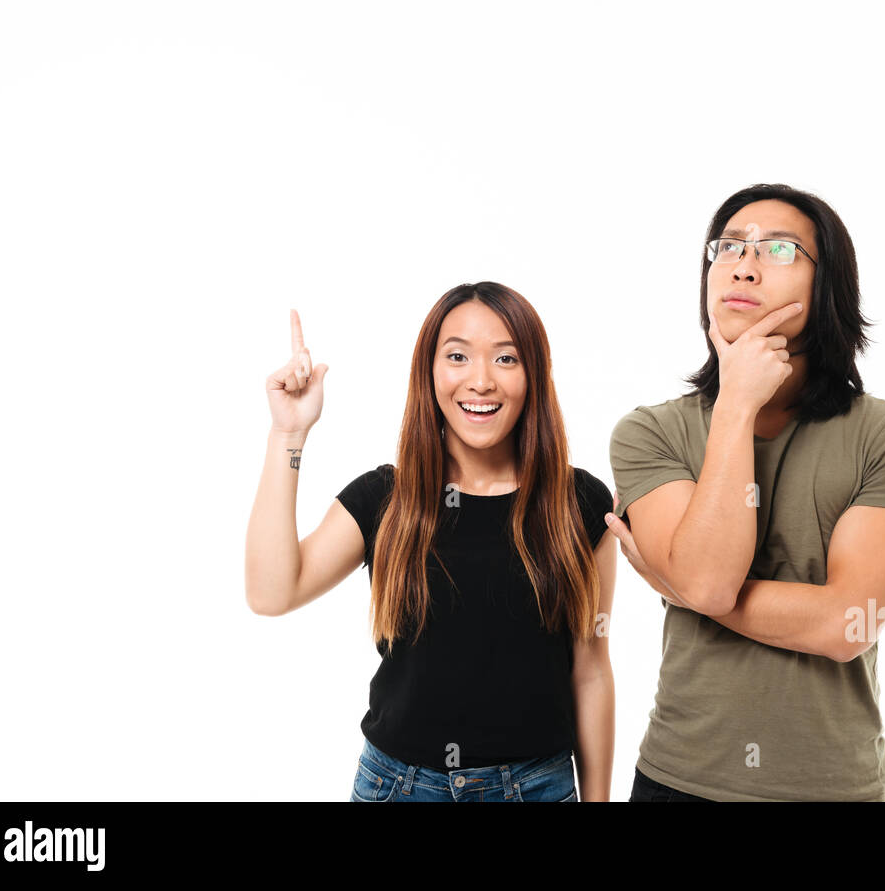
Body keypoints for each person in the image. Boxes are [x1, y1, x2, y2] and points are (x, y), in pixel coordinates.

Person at [605, 183, 885, 802]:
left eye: (779, 249)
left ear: (829, 287)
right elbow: (710, 580)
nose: (743, 263)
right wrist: (736, 404)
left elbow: (846, 625)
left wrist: (680, 584)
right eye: (729, 246)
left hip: (836, 788)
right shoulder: (650, 432)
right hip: (676, 780)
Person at [244, 282, 617, 802]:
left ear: (534, 374)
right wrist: (288, 436)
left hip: (538, 787)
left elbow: (591, 670)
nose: (480, 381)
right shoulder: (386, 498)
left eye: (506, 358)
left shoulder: (577, 502)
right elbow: (270, 593)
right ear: (430, 372)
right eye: (458, 356)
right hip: (400, 787)